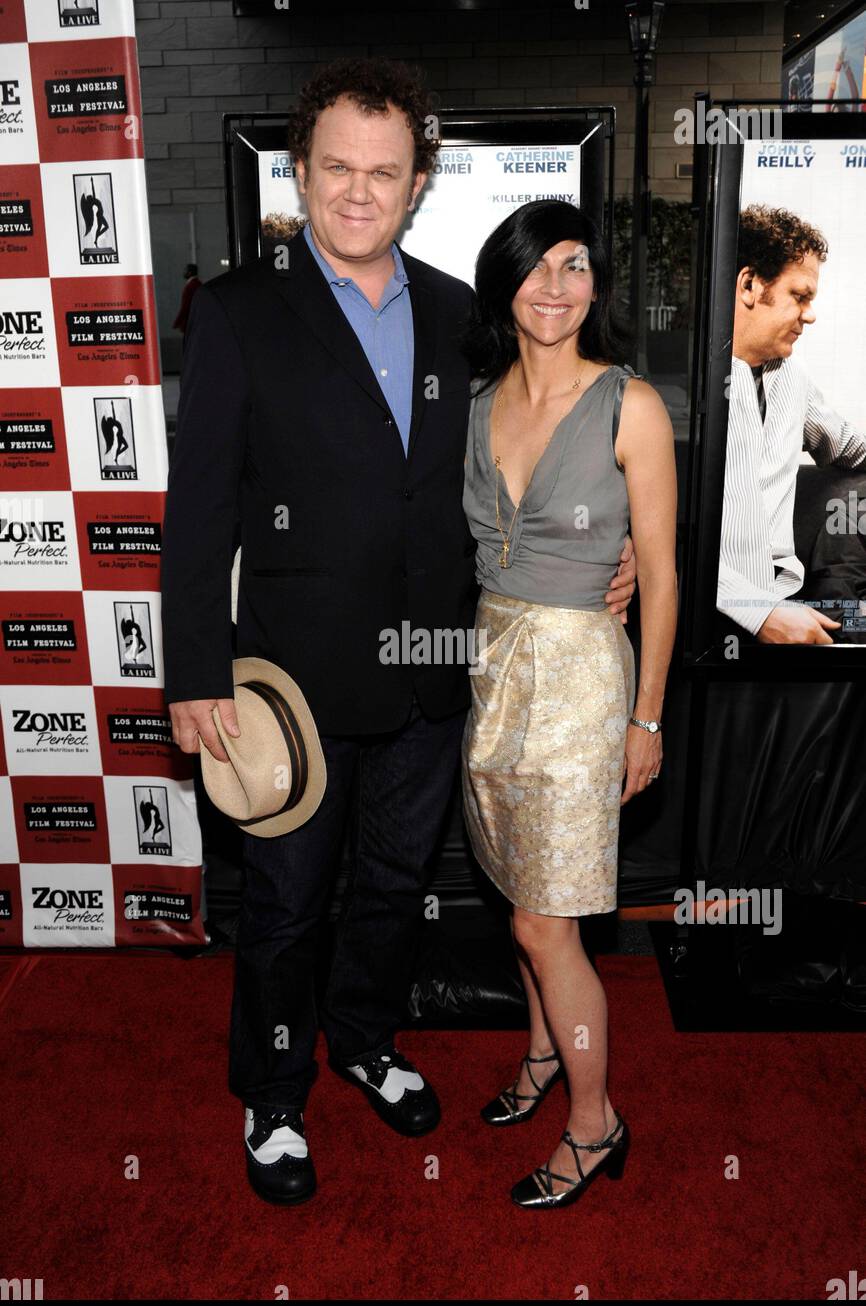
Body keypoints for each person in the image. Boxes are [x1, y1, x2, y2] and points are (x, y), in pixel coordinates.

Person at [160, 58, 637, 1207]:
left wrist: (602, 551)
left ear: (418, 181)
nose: (360, 193)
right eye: (337, 168)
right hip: (291, 686)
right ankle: (274, 1096)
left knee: (389, 884)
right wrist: (192, 671)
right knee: (282, 899)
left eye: (385, 172)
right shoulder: (236, 310)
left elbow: (521, 448)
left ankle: (363, 1038)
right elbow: (198, 508)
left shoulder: (451, 311)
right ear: (302, 169)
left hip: (434, 672)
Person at [461, 200, 678, 1209]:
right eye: (535, 267)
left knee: (549, 924)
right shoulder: (475, 403)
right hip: (494, 669)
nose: (555, 285)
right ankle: (544, 1052)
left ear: (595, 285)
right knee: (520, 898)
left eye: (575, 265)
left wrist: (646, 717)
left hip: (583, 681)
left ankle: (593, 1126)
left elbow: (663, 575)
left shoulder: (627, 404)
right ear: (502, 283)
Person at [717, 204, 866, 645]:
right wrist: (756, 612)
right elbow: (657, 545)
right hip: (717, 614)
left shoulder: (791, 379)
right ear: (749, 285)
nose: (810, 315)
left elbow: (851, 448)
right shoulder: (680, 395)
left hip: (789, 598)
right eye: (799, 297)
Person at [172, 262, 202, 339]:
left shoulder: (190, 286)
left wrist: (177, 322)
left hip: (190, 323)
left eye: (185, 270)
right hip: (198, 321)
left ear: (190, 272)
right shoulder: (199, 284)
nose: (184, 272)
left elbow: (185, 306)